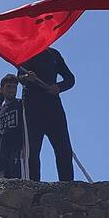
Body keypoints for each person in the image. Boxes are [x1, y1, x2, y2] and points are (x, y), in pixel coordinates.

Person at [16, 46, 75, 182]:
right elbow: (20, 76)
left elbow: (70, 79)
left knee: (64, 148)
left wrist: (58, 87)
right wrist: (27, 77)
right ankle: (33, 185)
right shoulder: (27, 51)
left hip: (52, 104)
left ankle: (67, 184)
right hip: (32, 106)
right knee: (33, 149)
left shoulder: (53, 54)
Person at [0, 74, 25, 180]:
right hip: (4, 153)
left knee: (19, 179)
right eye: (9, 86)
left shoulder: (21, 104)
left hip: (19, 149)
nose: (12, 90)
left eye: (14, 87)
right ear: (2, 89)